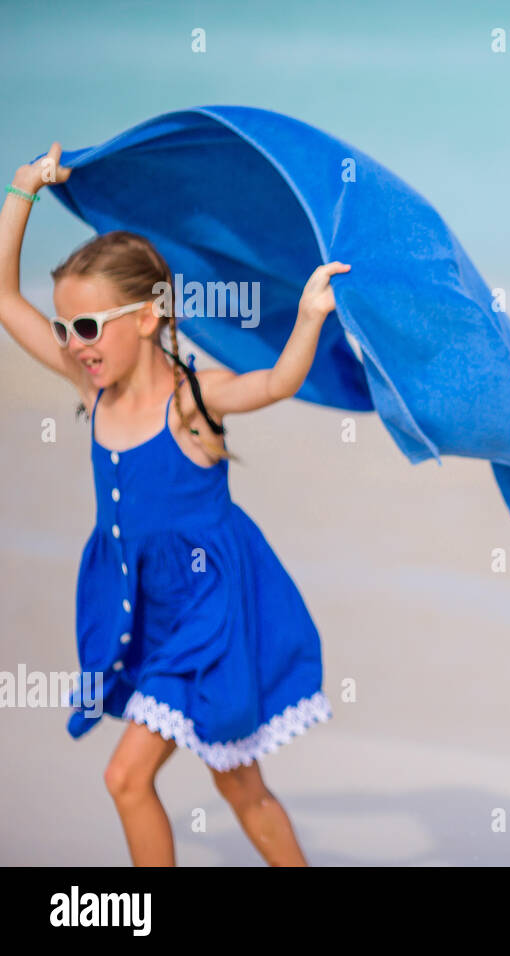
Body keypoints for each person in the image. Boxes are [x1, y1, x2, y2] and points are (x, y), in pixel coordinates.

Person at [1, 142, 349, 865]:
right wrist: (23, 190)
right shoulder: (91, 390)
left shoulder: (194, 399)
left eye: (90, 327)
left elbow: (278, 382)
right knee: (240, 787)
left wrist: (311, 314)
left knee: (126, 778)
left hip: (209, 613)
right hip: (145, 608)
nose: (74, 345)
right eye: (66, 329)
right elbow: (4, 299)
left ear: (151, 315)